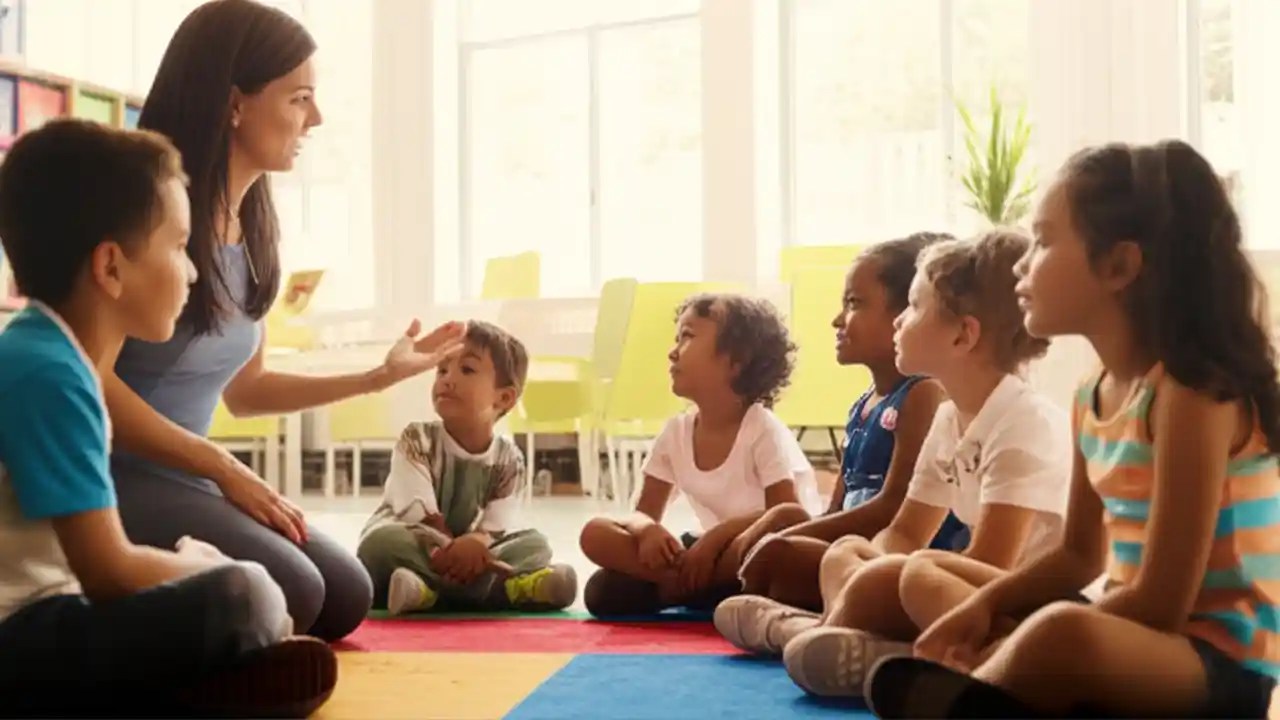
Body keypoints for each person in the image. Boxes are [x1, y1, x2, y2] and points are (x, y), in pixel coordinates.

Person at [866, 141, 1280, 720]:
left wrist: (1029, 633)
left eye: (1041, 241)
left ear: (1118, 266)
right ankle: (992, 680)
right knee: (928, 573)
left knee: (1064, 633)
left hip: (1216, 669)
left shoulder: (1189, 395)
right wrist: (985, 605)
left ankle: (978, 686)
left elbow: (1164, 603)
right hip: (1130, 631)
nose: (1020, 264)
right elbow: (1080, 555)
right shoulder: (1092, 394)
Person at [105, 0, 464, 642]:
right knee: (301, 589)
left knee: (346, 593)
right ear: (234, 103)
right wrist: (223, 468)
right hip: (113, 469)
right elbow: (88, 376)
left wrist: (376, 378)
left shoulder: (253, 232)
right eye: (299, 98)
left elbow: (246, 391)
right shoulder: (141, 214)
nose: (316, 118)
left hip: (194, 475)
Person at [0, 119, 336, 717]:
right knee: (244, 590)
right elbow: (108, 570)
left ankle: (207, 686)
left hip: (44, 615)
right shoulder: (49, 373)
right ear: (111, 267)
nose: (193, 272)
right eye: (179, 247)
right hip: (21, 639)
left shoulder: (44, 352)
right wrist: (213, 570)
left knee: (217, 584)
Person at [729, 232, 1073, 699]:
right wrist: (873, 562)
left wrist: (888, 573)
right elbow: (906, 531)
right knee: (847, 551)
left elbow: (996, 566)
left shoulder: (1022, 421)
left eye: (912, 307)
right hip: (962, 590)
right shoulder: (950, 415)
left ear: (962, 335)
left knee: (915, 575)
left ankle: (812, 632)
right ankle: (858, 641)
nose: (899, 322)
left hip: (1022, 605)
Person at [724, 233, 957, 621]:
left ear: (907, 313)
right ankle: (700, 583)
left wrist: (784, 543)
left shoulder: (923, 396)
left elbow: (891, 509)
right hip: (851, 551)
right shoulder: (861, 407)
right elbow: (836, 508)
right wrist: (781, 532)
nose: (837, 320)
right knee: (782, 520)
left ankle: (724, 594)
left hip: (894, 556)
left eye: (854, 304)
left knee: (782, 554)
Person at [579, 293, 823, 617]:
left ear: (736, 360)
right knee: (596, 539)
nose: (672, 351)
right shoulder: (675, 433)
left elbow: (785, 513)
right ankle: (695, 585)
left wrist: (716, 537)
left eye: (687, 336)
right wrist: (646, 531)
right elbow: (642, 514)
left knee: (778, 528)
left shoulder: (761, 428)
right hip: (706, 557)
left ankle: (685, 588)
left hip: (752, 549)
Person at [358, 321, 577, 614]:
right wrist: (456, 549)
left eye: (467, 370)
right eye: (442, 370)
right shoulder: (417, 438)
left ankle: (426, 593)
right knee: (379, 543)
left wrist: (476, 542)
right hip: (422, 540)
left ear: (504, 398)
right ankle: (505, 590)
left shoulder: (509, 458)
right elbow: (417, 512)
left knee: (536, 544)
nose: (448, 379)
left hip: (473, 553)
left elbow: (496, 525)